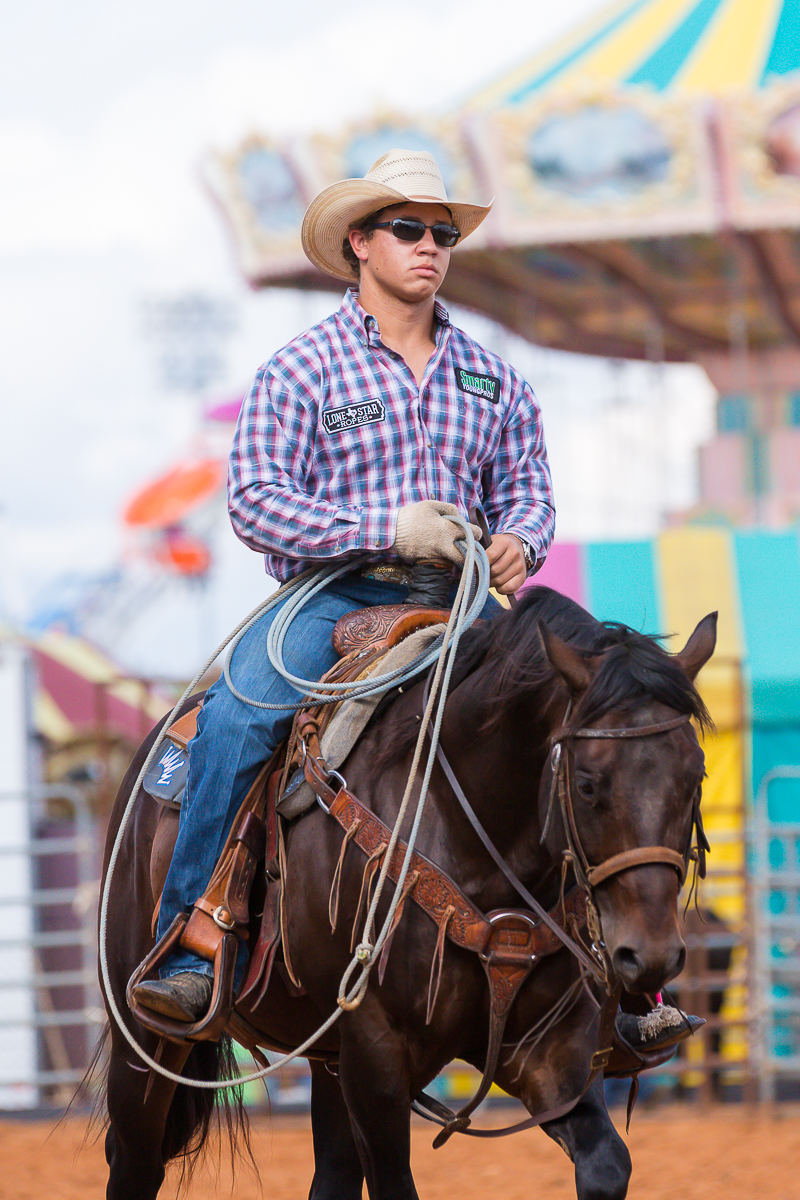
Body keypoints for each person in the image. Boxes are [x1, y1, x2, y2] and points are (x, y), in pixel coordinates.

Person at [132, 150, 700, 1060]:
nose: (431, 246)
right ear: (360, 243)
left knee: (590, 727)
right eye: (409, 229)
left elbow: (529, 491)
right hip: (333, 595)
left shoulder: (492, 375)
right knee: (239, 716)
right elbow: (255, 500)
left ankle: (633, 984)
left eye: (443, 233)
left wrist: (520, 536)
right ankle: (190, 942)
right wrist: (386, 529)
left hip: (468, 601)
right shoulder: (302, 369)